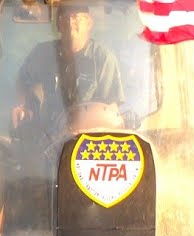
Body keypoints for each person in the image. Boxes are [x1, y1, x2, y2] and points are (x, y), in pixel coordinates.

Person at [10, 3, 125, 138]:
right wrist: (23, 105)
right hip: (47, 136)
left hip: (87, 139)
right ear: (58, 26)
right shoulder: (42, 53)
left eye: (77, 17)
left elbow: (111, 107)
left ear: (89, 23)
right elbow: (24, 81)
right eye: (64, 18)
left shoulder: (103, 59)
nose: (70, 22)